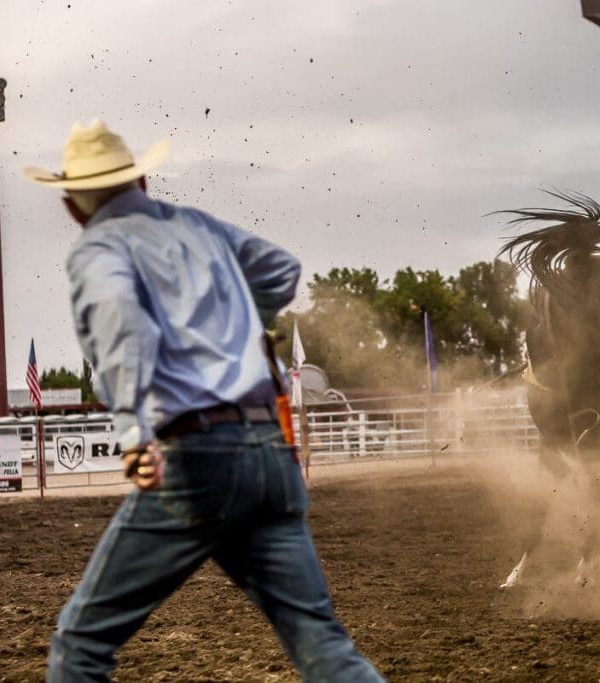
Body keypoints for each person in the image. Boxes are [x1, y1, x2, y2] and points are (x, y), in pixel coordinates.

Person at [26, 121, 383, 683]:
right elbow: (282, 271)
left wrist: (133, 431)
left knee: (80, 646)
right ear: (142, 181)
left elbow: (123, 329)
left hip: (199, 458)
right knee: (324, 648)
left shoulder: (99, 248)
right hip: (270, 452)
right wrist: (237, 324)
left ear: (72, 206)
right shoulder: (195, 225)